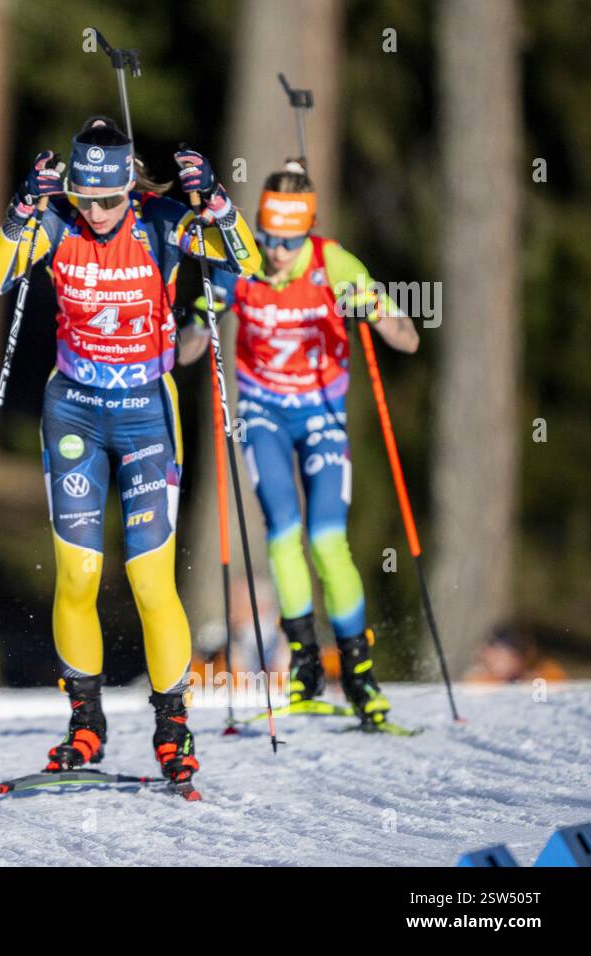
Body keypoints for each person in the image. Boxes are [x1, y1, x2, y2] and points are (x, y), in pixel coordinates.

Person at [0, 117, 261, 788]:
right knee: (77, 577)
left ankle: (172, 726)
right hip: (72, 409)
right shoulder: (58, 224)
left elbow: (244, 261)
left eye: (108, 200)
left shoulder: (162, 221)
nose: (97, 213)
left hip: (145, 417)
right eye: (85, 199)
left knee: (148, 580)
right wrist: (22, 210)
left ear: (129, 190)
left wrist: (216, 200)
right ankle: (85, 720)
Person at [179, 158, 420, 727]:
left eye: (289, 241)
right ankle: (305, 666)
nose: (277, 253)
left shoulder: (332, 262)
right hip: (262, 412)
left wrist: (375, 314)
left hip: (322, 415)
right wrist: (198, 323)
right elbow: (188, 345)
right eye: (269, 238)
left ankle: (359, 675)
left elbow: (407, 338)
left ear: (307, 232)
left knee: (328, 541)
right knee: (283, 534)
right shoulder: (241, 262)